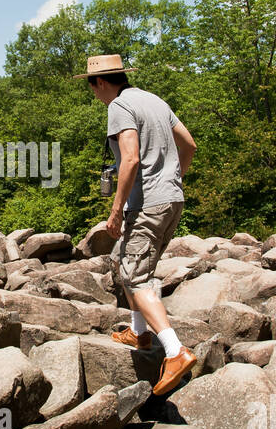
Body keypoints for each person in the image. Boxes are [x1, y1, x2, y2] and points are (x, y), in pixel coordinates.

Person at [79, 54, 198, 396]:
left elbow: (129, 158)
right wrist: (173, 180)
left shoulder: (118, 106)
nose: (93, 93)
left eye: (91, 86)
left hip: (147, 205)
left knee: (135, 276)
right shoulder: (154, 100)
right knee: (121, 261)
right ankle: (139, 331)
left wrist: (116, 210)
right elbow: (189, 144)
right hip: (171, 200)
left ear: (100, 82)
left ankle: (175, 351)